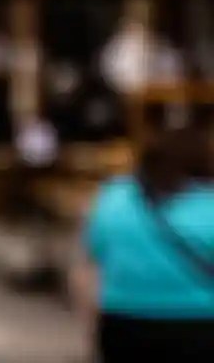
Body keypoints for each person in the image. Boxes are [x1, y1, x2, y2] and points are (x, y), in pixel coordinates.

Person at [81, 120, 214, 361]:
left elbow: (91, 267)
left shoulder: (114, 196)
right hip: (201, 323)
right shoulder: (209, 205)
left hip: (124, 322)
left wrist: (92, 328)